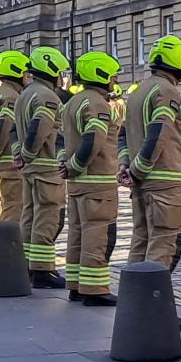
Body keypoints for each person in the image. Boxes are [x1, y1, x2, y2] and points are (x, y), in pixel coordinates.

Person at [123, 37, 181, 327]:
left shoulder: (139, 91)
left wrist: (126, 167)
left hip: (144, 181)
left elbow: (124, 135)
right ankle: (155, 313)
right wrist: (140, 169)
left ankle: (133, 306)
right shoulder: (167, 91)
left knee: (140, 240)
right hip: (164, 180)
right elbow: (159, 132)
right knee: (164, 243)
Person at [62, 52, 123, 306]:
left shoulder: (74, 101)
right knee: (99, 234)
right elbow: (94, 138)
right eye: (111, 76)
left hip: (78, 184)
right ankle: (95, 289)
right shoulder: (98, 104)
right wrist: (77, 165)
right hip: (97, 180)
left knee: (78, 233)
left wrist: (69, 165)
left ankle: (76, 285)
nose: (113, 81)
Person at [16, 47, 71, 289]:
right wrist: (29, 153)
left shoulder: (25, 93)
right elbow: (40, 127)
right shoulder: (48, 97)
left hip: (30, 167)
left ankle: (27, 264)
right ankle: (42, 270)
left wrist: (22, 155)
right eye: (60, 72)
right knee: (48, 216)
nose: (62, 77)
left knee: (29, 215)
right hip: (45, 165)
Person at [0, 51, 30, 232]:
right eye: (26, 73)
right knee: (12, 207)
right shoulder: (11, 97)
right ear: (16, 72)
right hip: (8, 161)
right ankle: (6, 247)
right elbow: (3, 127)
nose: (28, 77)